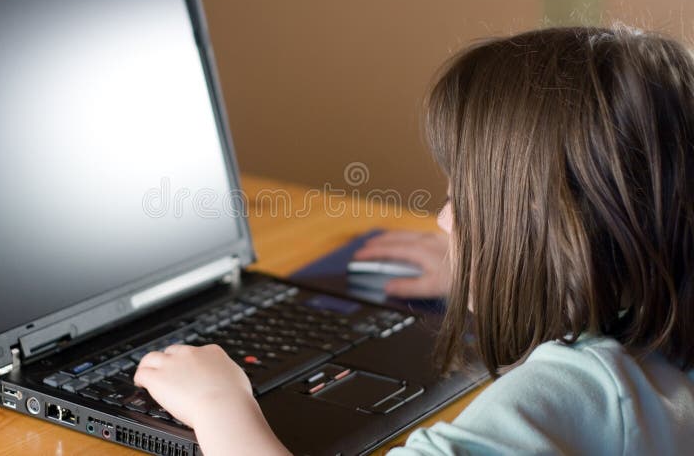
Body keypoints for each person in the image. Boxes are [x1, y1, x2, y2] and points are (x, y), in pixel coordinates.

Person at [133, 27, 694, 455]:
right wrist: (500, 268)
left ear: (553, 236)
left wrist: (220, 407)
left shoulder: (576, 394)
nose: (443, 221)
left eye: (468, 207)